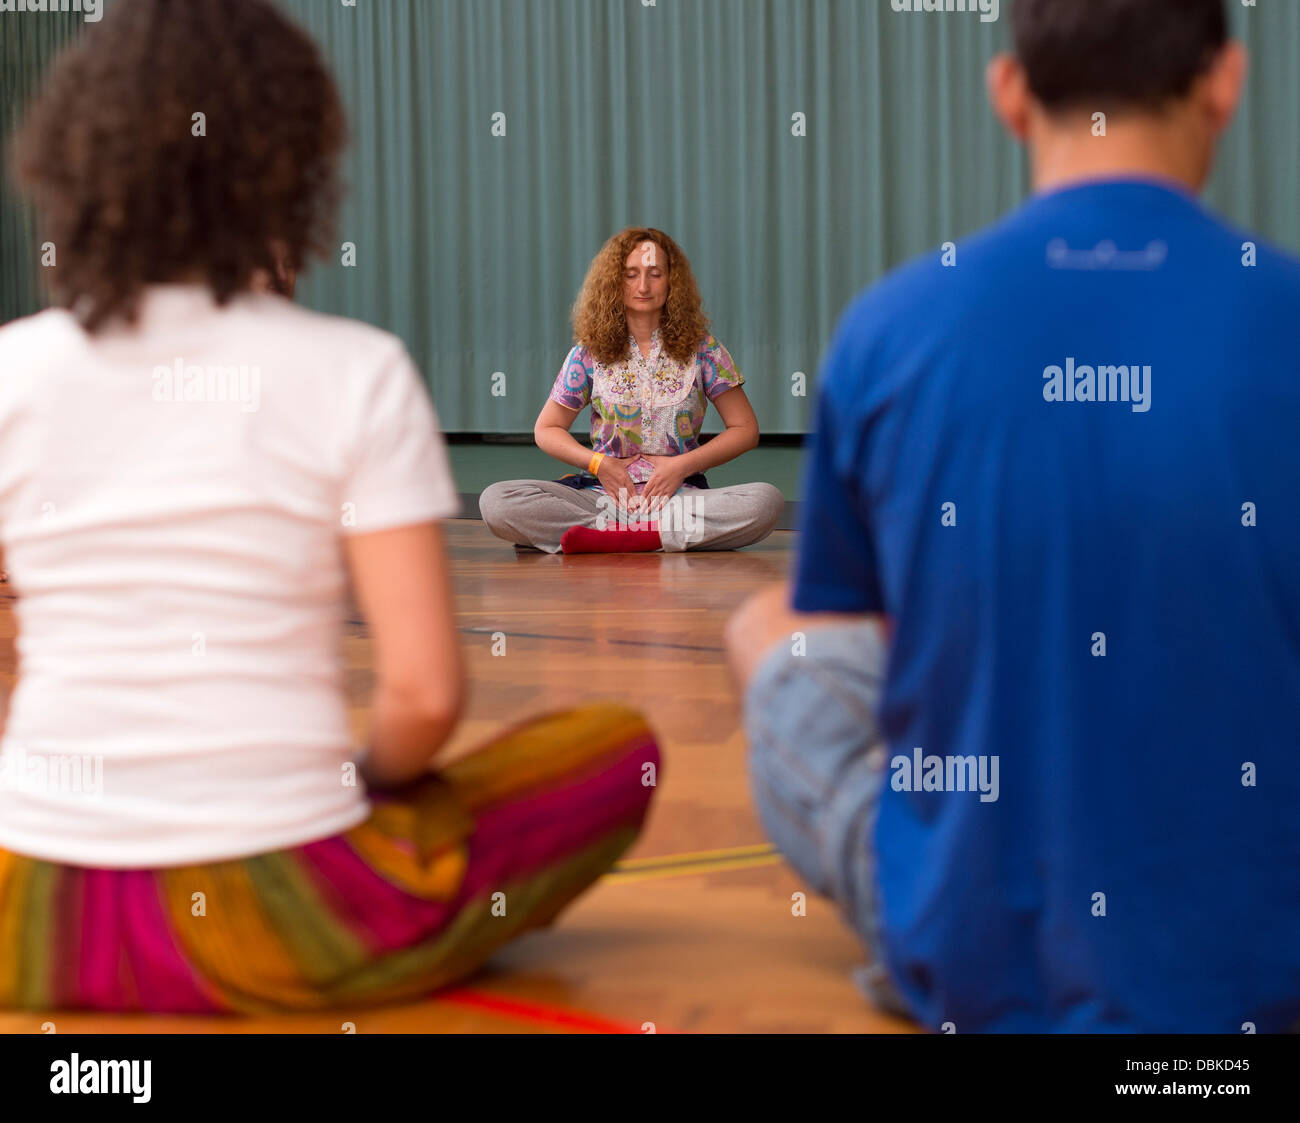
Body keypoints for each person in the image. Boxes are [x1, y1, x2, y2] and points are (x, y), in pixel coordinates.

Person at [0, 0, 657, 1013]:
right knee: (618, 746)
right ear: (290, 166)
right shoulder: (355, 370)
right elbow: (424, 699)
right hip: (287, 907)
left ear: (76, 164)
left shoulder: (12, 367)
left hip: (30, 909)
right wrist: (357, 781)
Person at [727, 0, 1300, 1032]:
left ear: (1007, 92)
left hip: (973, 958)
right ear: (1224, 81)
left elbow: (890, 643)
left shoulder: (887, 330)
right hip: (1262, 971)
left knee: (764, 630)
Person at [478, 228, 784, 553]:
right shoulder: (588, 353)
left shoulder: (705, 350)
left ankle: (617, 537)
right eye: (631, 274)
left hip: (676, 499)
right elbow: (547, 429)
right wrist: (599, 465)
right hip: (602, 499)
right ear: (614, 281)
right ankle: (655, 536)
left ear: (672, 281)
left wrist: (681, 467)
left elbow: (745, 429)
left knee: (765, 502)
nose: (643, 286)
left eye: (655, 274)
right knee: (497, 502)